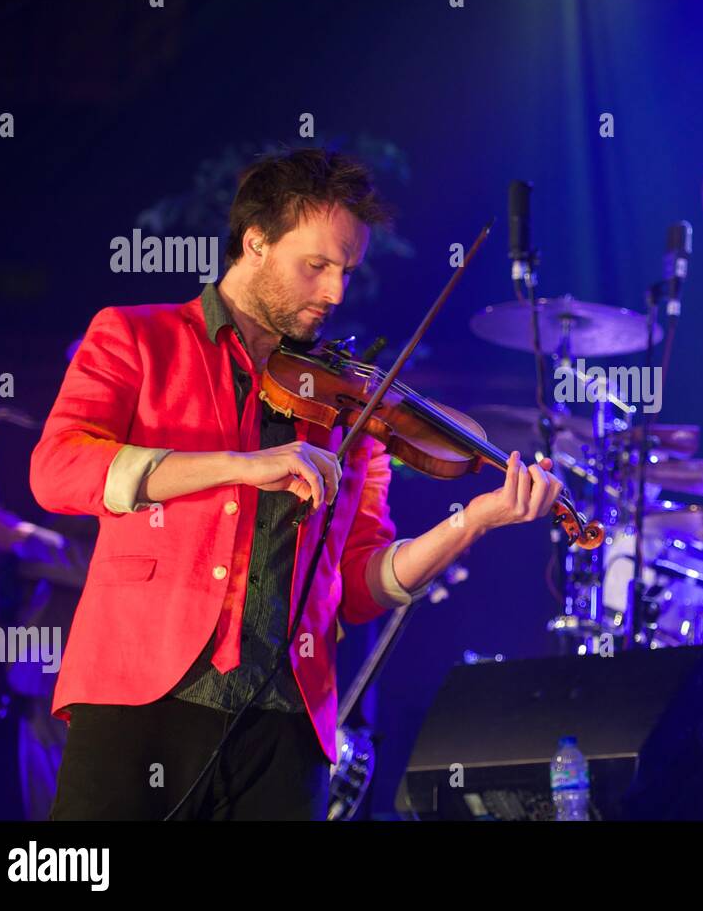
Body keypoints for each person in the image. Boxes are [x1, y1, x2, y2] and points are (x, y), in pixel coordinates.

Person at [30, 148, 565, 820]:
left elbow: (363, 586)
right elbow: (57, 470)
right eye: (316, 266)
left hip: (286, 724)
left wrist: (473, 521)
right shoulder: (137, 338)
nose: (336, 292)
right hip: (141, 698)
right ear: (255, 243)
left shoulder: (348, 409)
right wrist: (239, 465)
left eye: (346, 271)